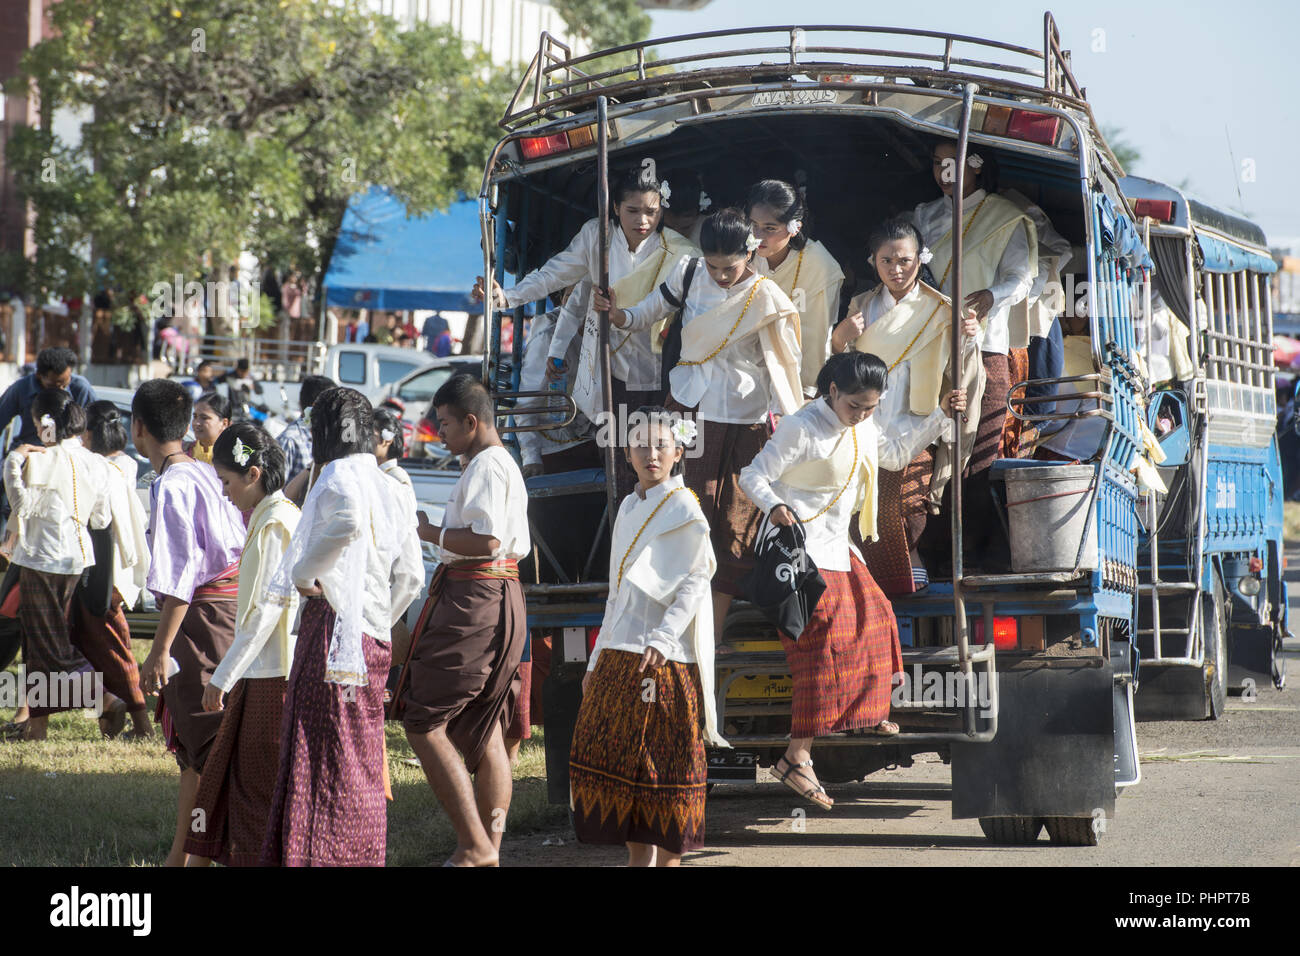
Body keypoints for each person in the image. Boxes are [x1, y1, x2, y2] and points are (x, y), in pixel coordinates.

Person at [739, 352, 966, 808]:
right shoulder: (800, 427)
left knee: (880, 620)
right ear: (833, 392)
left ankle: (867, 712)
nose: (861, 415)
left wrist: (942, 414)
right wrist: (775, 506)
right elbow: (752, 475)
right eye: (854, 406)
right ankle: (796, 757)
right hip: (799, 553)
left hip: (838, 548)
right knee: (823, 647)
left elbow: (898, 454)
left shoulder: (863, 426)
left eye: (870, 407)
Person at [597, 208, 802, 647]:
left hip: (746, 419)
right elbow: (651, 310)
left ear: (750, 252)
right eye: (714, 266)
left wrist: (795, 421)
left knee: (733, 526)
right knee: (682, 511)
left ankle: (707, 631)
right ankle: (666, 621)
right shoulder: (688, 271)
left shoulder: (768, 297)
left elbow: (785, 366)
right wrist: (620, 317)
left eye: (730, 267)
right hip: (689, 406)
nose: (721, 276)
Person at [262, 387, 423, 867]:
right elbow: (412, 576)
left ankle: (311, 856)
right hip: (370, 639)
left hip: (332, 631)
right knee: (361, 758)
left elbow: (348, 522)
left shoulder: (335, 474)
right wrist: (375, 619)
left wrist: (303, 574)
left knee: (318, 755)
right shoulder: (391, 484)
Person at [569, 407, 727, 866]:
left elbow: (697, 581)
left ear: (679, 453)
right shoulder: (628, 506)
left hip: (667, 660)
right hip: (619, 654)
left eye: (661, 446)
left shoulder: (684, 507)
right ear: (626, 453)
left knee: (667, 772)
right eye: (641, 445)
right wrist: (596, 659)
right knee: (623, 769)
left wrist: (662, 637)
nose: (650, 453)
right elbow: (616, 592)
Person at [399, 374, 530, 867]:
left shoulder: (488, 466)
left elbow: (487, 541)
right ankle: (487, 849)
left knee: (425, 721)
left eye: (447, 424)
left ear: (472, 422)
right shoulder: (494, 464)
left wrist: (431, 530)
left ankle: (475, 846)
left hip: (477, 595)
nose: (443, 433)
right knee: (486, 728)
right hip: (496, 594)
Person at [474, 165, 699, 423]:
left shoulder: (682, 252)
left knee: (658, 446)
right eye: (633, 211)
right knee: (612, 446)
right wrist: (507, 297)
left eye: (651, 212)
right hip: (605, 364)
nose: (643, 221)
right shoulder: (596, 235)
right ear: (615, 207)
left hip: (662, 366)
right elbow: (554, 275)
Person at [132, 379, 246, 866]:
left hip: (203, 617)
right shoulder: (202, 471)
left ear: (137, 429)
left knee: (209, 743)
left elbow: (179, 579)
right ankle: (186, 855)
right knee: (199, 752)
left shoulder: (174, 483)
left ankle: (210, 852)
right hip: (227, 609)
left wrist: (159, 651)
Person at [913, 139, 1038, 571]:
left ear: (977, 166)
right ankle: (932, 561)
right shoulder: (922, 216)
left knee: (975, 462)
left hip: (984, 352)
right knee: (928, 455)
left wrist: (989, 296)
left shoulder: (1007, 216)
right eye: (937, 164)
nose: (944, 172)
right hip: (928, 351)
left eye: (953, 164)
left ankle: (978, 565)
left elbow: (1020, 279)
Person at [841, 216, 982, 593]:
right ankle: (871, 584)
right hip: (866, 422)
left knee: (908, 504)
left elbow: (963, 369)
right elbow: (836, 366)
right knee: (860, 504)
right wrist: (840, 338)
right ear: (874, 261)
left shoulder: (942, 309)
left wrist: (968, 338)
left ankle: (911, 571)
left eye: (904, 260)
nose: (896, 269)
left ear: (921, 258)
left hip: (918, 421)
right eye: (887, 260)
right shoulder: (861, 306)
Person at [184, 423, 299, 867]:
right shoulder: (273, 516)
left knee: (257, 793)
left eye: (227, 483)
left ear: (253, 474)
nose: (225, 493)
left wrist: (222, 676)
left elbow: (265, 612)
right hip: (262, 673)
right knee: (240, 786)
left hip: (272, 676)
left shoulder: (274, 522)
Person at [1, 390, 114, 741]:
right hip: (76, 559)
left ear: (44, 423)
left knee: (49, 646)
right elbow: (101, 518)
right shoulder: (96, 462)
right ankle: (37, 728)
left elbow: (21, 505)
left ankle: (106, 698)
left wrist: (12, 461)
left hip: (40, 558)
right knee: (40, 645)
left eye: (35, 423)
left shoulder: (39, 460)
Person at [70, 400, 153, 739]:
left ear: (88, 433)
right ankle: (108, 711)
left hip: (104, 577)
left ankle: (141, 724)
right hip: (111, 574)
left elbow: (100, 526)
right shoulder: (123, 465)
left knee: (114, 653)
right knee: (93, 648)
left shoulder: (100, 469)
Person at [746, 179, 847, 395]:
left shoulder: (820, 266)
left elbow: (816, 335)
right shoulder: (745, 252)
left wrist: (808, 390)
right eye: (753, 225)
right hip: (746, 373)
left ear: (794, 228)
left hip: (795, 379)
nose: (758, 236)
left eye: (770, 228)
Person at [516, 285, 599, 479]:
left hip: (591, 438)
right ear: (561, 300)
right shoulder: (548, 339)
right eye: (571, 296)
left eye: (586, 296)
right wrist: (531, 458)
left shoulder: (603, 333)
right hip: (559, 446)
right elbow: (526, 405)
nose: (578, 303)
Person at [0, 347, 97, 453]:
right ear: (39, 375)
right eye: (54, 385)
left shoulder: (81, 389)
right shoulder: (21, 389)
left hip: (69, 456)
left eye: (64, 385)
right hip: (30, 454)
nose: (60, 390)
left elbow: (96, 427)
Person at [276, 374, 335, 486]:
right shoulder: (289, 440)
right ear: (317, 406)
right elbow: (276, 491)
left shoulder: (329, 437)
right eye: (332, 406)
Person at [185, 392, 231, 464]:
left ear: (224, 423)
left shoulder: (233, 457)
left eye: (204, 418)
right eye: (195, 417)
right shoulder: (183, 451)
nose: (197, 423)